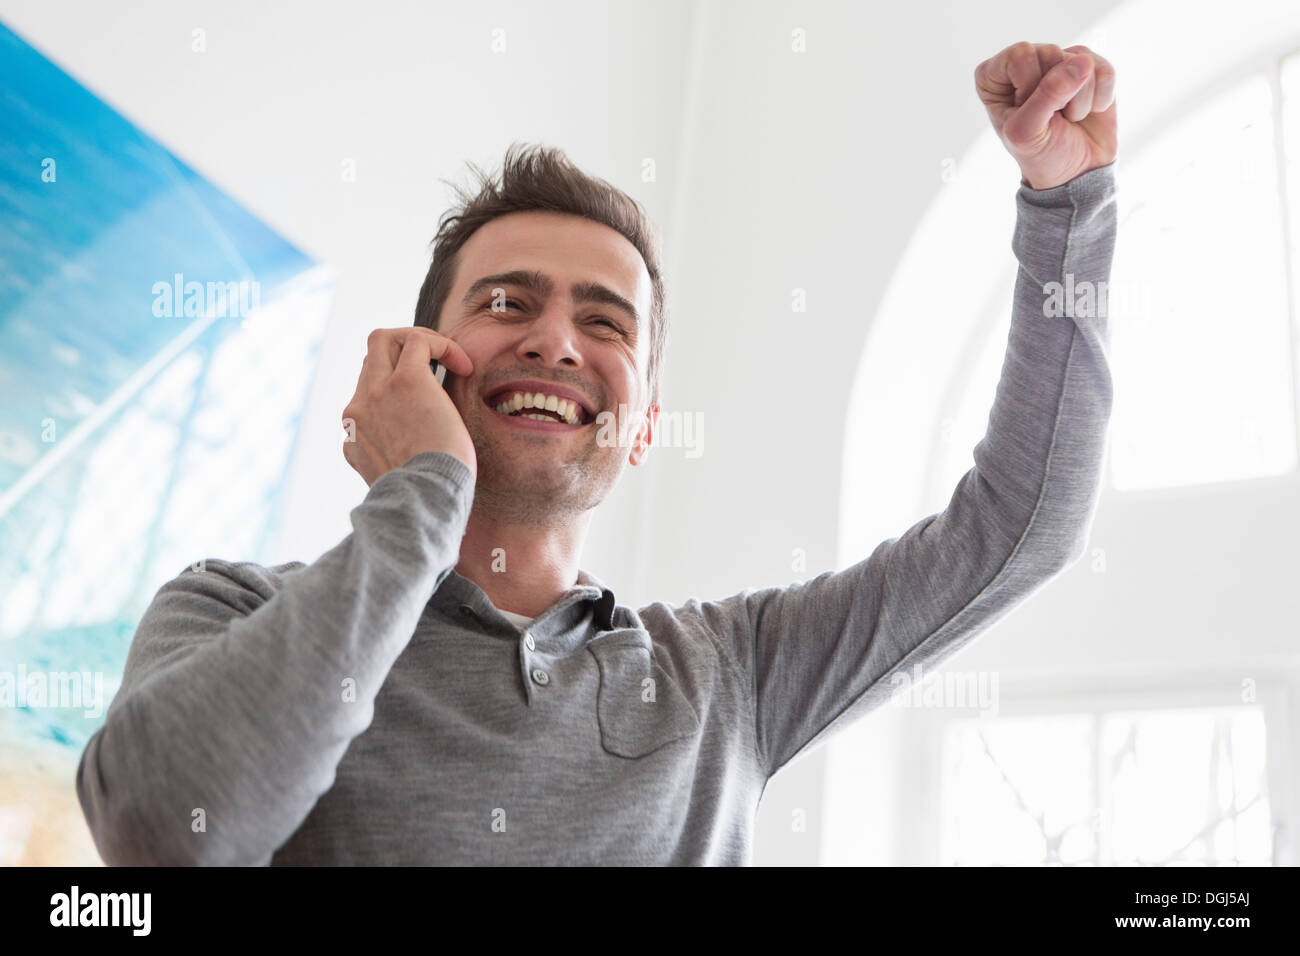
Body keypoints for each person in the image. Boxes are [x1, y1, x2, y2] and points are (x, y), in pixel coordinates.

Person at [76, 41, 1118, 865]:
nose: (555, 342)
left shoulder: (732, 674)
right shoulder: (229, 608)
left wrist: (1066, 204)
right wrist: (422, 491)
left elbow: (1023, 523)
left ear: (645, 422)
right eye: (506, 302)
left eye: (605, 322)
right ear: (420, 364)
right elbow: (167, 833)